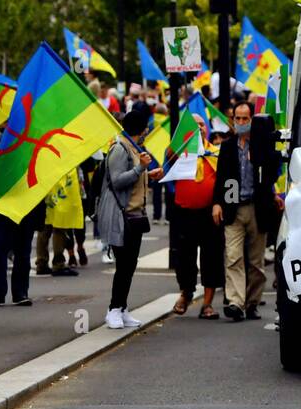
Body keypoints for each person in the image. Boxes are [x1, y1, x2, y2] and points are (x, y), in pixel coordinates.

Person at [212, 100, 281, 321]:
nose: (241, 122)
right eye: (237, 118)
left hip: (257, 208)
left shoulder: (263, 146)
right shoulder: (228, 146)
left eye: (245, 118)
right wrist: (217, 202)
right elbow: (221, 178)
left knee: (256, 262)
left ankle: (251, 302)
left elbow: (273, 173)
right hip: (234, 208)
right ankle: (235, 302)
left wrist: (260, 158)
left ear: (252, 120)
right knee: (232, 257)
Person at [96, 105, 162, 329]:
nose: (147, 131)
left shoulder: (134, 147)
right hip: (120, 216)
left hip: (134, 215)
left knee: (130, 264)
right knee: (123, 265)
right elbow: (117, 180)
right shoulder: (120, 149)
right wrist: (140, 169)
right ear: (141, 128)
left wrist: (148, 174)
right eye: (145, 128)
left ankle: (122, 308)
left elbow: (134, 181)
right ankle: (113, 310)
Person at [0, 131, 43, 307]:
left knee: (1, 251)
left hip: (5, 207)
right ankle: (19, 293)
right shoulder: (32, 143)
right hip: (19, 206)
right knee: (20, 252)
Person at [170, 115, 225, 319]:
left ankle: (207, 304)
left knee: (211, 257)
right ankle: (186, 294)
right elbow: (167, 158)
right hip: (184, 212)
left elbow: (224, 181)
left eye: (201, 124)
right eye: (193, 126)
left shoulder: (217, 153)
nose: (199, 128)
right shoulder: (180, 152)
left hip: (210, 214)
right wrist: (181, 140)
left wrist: (219, 203)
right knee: (184, 257)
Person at [36, 167, 83, 277]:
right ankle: (58, 263)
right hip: (61, 184)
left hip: (47, 183)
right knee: (60, 227)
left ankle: (41, 263)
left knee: (45, 227)